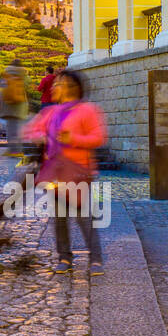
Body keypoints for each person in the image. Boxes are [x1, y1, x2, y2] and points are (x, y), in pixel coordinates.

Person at [22, 70, 107, 275]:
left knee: (84, 216)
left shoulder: (88, 110)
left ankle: (95, 259)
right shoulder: (49, 113)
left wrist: (73, 139)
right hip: (55, 172)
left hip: (78, 171)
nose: (53, 87)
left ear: (71, 86)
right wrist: (40, 136)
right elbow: (30, 131)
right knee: (59, 217)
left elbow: (98, 138)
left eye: (57, 84)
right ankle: (64, 257)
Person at [0, 60, 28, 150]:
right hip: (20, 105)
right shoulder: (24, 75)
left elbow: (1, 88)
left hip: (8, 105)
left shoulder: (6, 75)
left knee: (10, 128)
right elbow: (27, 86)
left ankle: (12, 149)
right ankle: (17, 149)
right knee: (18, 128)